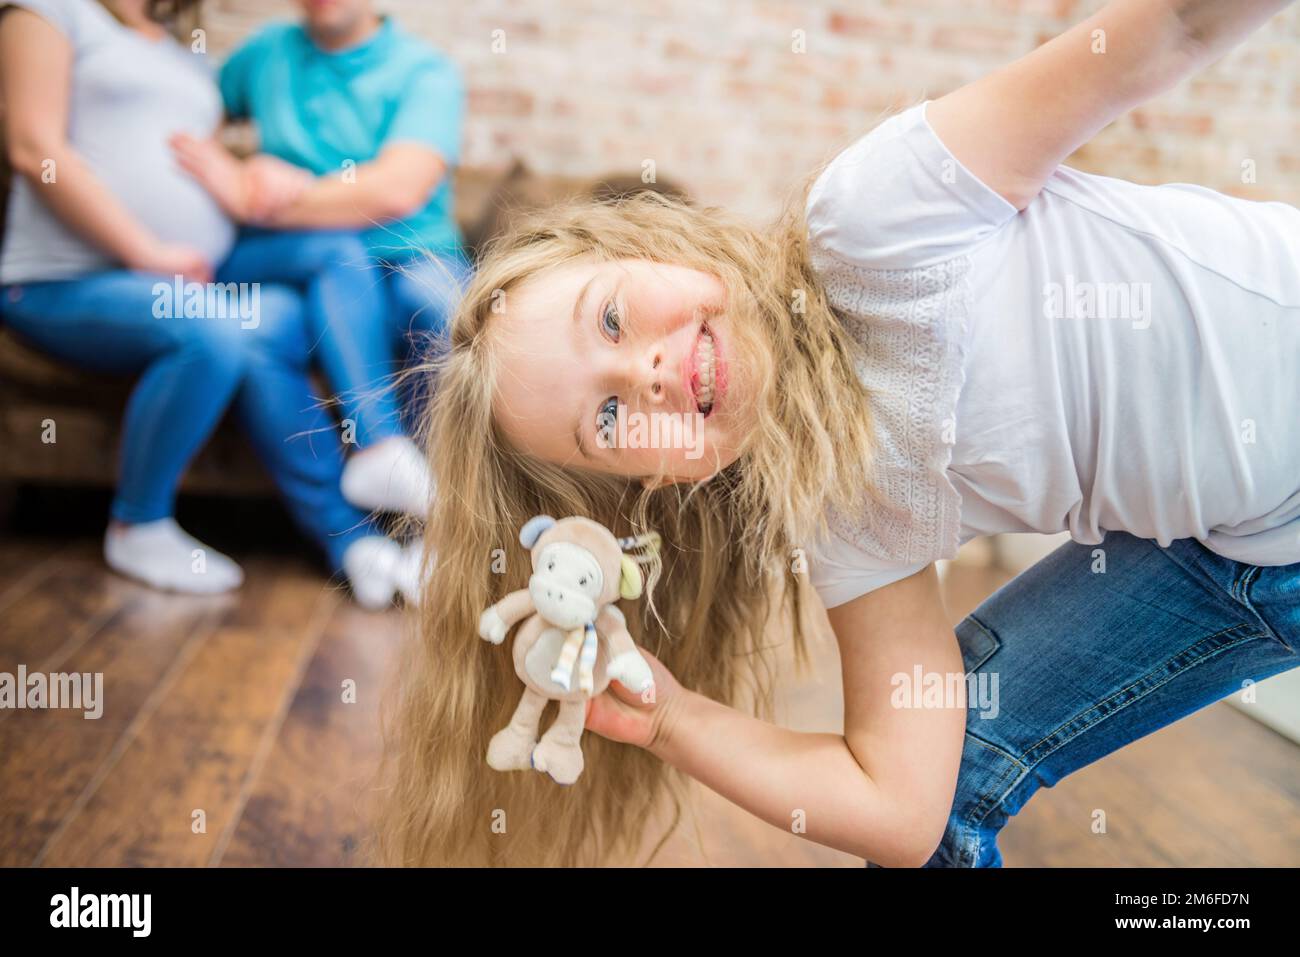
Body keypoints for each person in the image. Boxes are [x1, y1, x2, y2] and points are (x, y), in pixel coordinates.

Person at [375, 0, 1300, 866]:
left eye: (612, 320)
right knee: (956, 765)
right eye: (610, 418)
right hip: (1257, 557)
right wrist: (668, 718)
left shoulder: (876, 220)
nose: (643, 372)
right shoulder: (843, 513)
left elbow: (1177, 25)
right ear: (654, 481)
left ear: (652, 247)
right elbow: (904, 809)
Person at [0, 0, 415, 606]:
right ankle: (137, 523)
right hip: (67, 278)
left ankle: (372, 472)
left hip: (193, 270)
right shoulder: (49, 11)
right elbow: (32, 149)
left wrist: (264, 175)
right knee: (216, 328)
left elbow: (203, 166)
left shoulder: (183, 56)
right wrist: (146, 250)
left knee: (323, 258)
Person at [169, 0, 469, 518]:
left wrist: (248, 195)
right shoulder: (263, 55)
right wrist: (239, 166)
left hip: (410, 253)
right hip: (308, 259)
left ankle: (447, 520)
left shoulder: (426, 71)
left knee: (441, 307)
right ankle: (355, 538)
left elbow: (397, 190)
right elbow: (184, 117)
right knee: (261, 330)